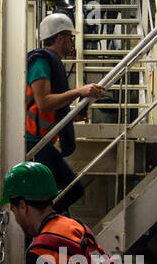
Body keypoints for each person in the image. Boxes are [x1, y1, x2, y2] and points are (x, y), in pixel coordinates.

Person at [26, 13, 103, 212]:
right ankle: (43, 222)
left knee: (67, 191)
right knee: (71, 190)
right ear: (60, 38)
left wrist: (71, 115)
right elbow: (43, 103)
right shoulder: (41, 62)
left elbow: (47, 107)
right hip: (34, 145)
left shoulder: (50, 62)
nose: (72, 41)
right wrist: (79, 91)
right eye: (70, 37)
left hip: (41, 142)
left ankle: (46, 222)